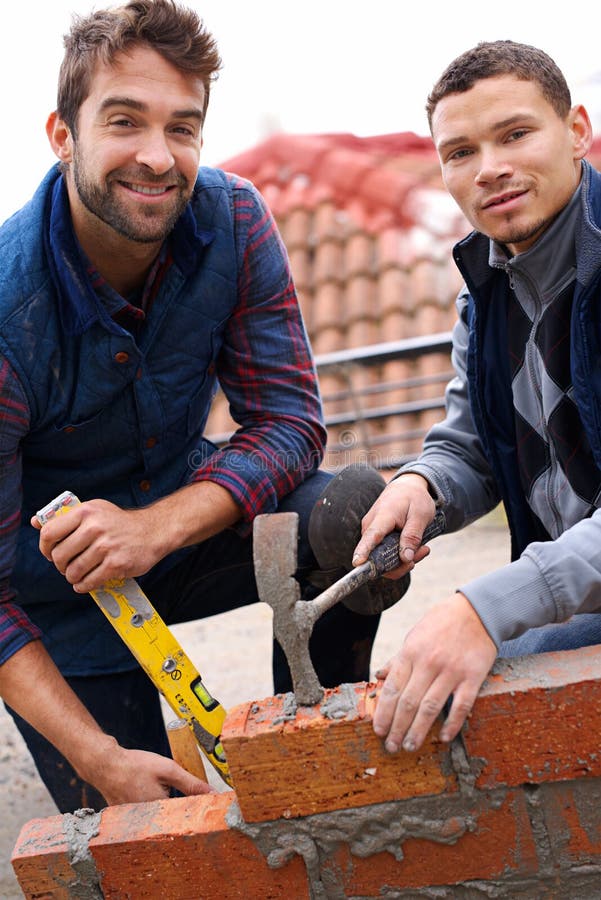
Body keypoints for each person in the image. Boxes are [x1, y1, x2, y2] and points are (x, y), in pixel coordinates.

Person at [0, 0, 381, 813]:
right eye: (124, 121)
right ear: (63, 135)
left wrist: (154, 529)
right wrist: (100, 759)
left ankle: (325, 771)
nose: (156, 156)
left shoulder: (232, 219)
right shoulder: (6, 314)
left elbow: (289, 422)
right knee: (149, 830)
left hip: (186, 530)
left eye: (183, 126)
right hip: (61, 603)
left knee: (354, 514)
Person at [352, 40, 601, 756]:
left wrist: (484, 609)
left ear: (576, 130)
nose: (488, 167)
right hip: (577, 585)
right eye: (459, 152)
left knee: (459, 697)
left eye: (515, 134)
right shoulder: (485, 287)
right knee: (427, 684)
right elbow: (468, 442)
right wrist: (423, 484)